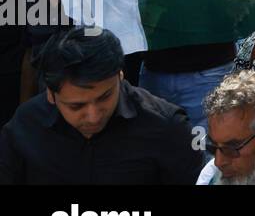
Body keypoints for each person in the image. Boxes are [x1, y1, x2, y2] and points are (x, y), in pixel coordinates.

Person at [0, 27, 204, 184]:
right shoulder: (26, 126)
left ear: (120, 76)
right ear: (51, 95)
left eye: (104, 97)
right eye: (76, 106)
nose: (93, 116)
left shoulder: (168, 127)